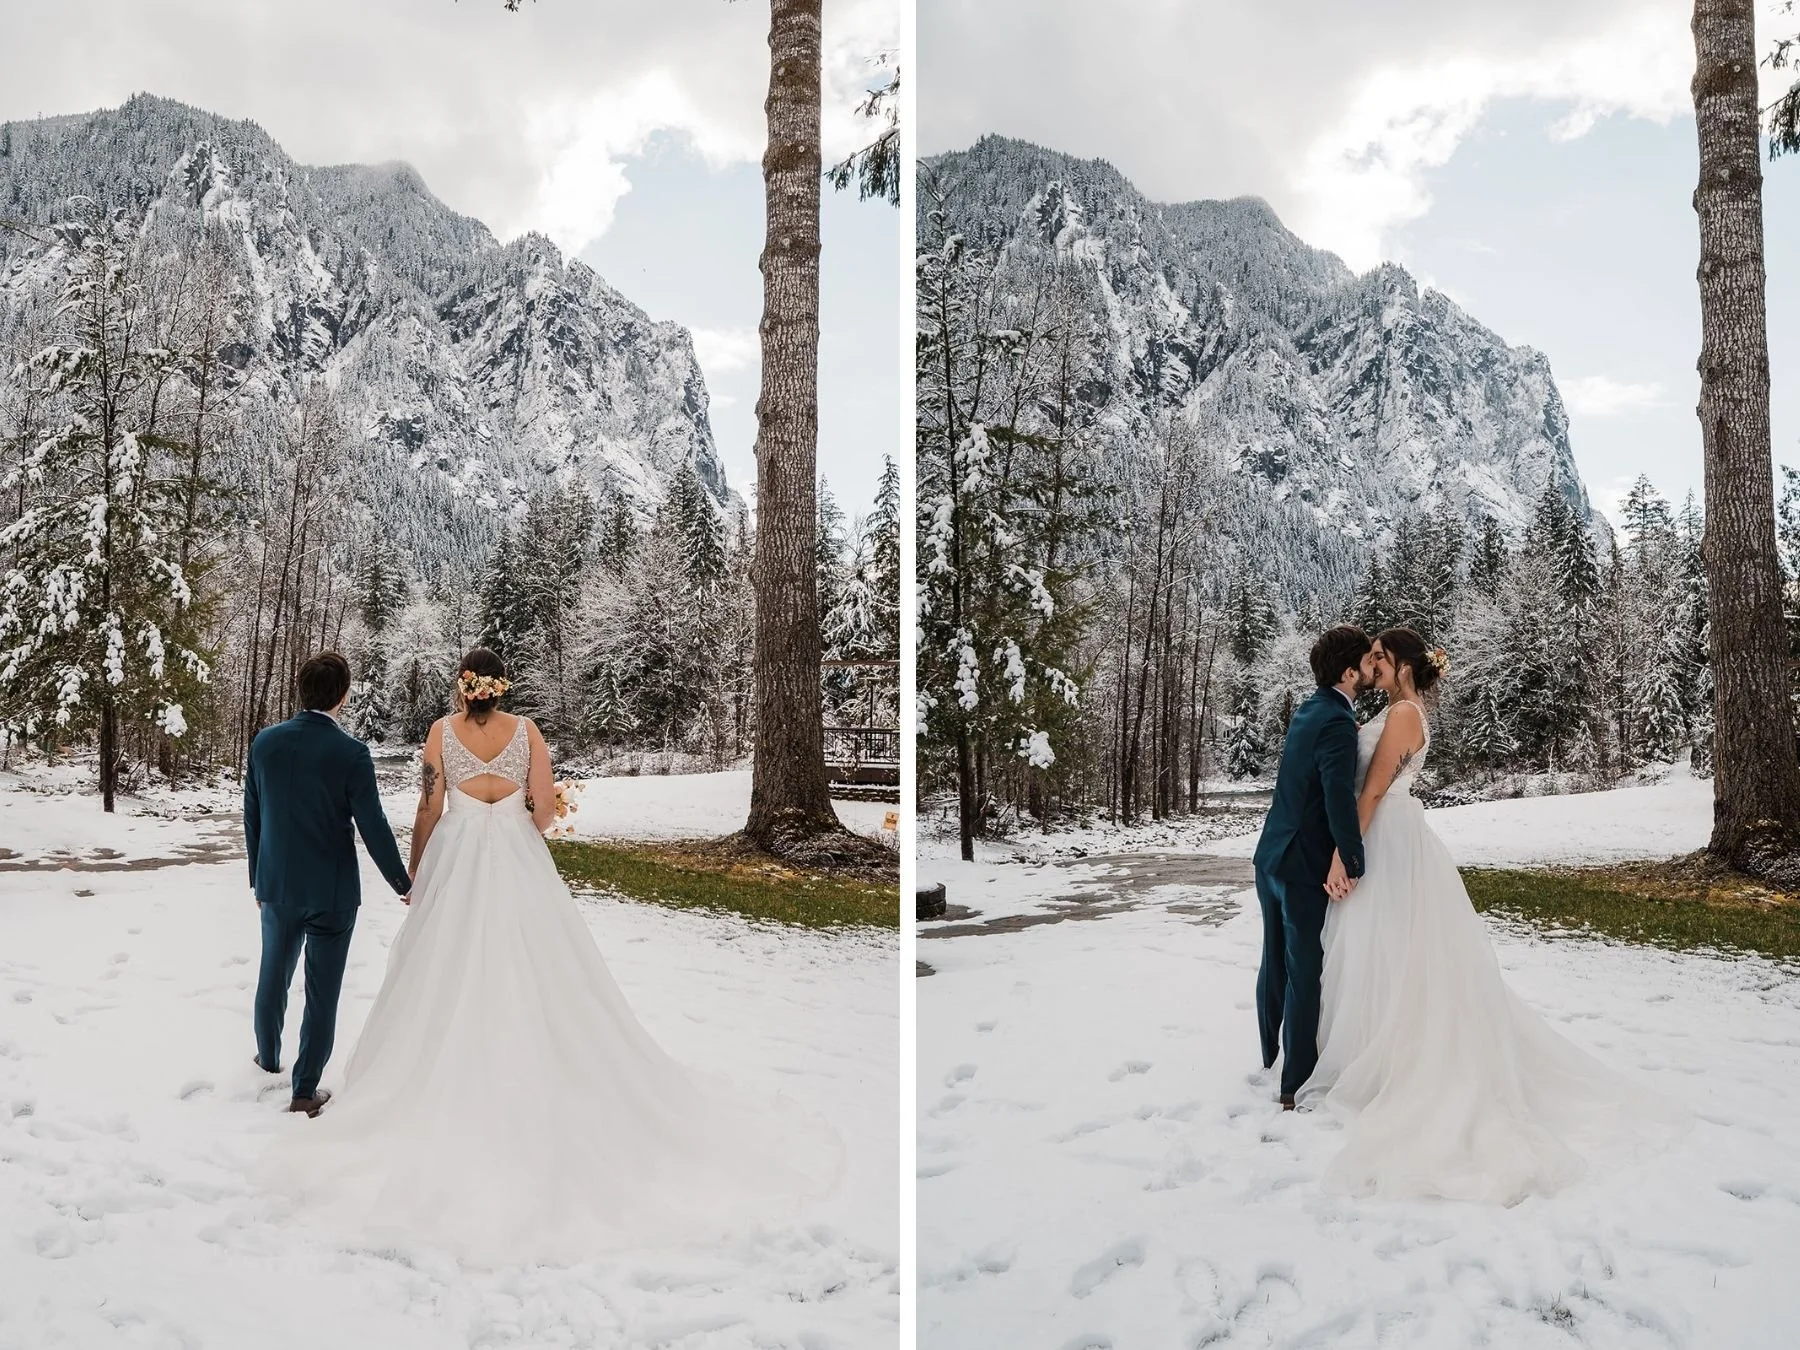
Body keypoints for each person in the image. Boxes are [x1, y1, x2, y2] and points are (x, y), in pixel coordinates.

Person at [260, 648, 838, 1264]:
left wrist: (418, 869)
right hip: (517, 857)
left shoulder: (440, 733)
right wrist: (520, 816)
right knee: (544, 965)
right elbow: (539, 815)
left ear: (463, 687)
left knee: (438, 966)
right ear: (501, 687)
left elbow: (429, 806)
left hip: (455, 856)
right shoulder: (528, 733)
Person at [1305, 626, 1685, 1202]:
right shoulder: (1395, 709)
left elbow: (1374, 791)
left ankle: (1393, 1061)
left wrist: (1344, 851)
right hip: (1386, 835)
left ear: (1402, 665)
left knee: (1395, 947)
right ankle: (1369, 1049)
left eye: (1380, 657)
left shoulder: (1404, 714)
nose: (1371, 664)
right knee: (1382, 948)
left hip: (1386, 838)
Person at [244, 651, 413, 1117]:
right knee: (323, 992)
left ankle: (267, 1058)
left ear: (301, 688)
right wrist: (401, 882)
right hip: (332, 892)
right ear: (342, 695)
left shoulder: (265, 743)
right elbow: (373, 825)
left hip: (277, 884)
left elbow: (252, 815)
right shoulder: (351, 753)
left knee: (273, 972)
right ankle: (304, 1091)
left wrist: (259, 878)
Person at [1252, 625, 1376, 1109]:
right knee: (1305, 970)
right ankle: (1295, 1083)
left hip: (1272, 855)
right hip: (1303, 865)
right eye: (1366, 662)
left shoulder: (1312, 709)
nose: (1372, 667)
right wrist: (1353, 859)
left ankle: (1269, 1055)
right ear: (1349, 672)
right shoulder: (1337, 722)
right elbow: (1337, 797)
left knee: (1274, 961)